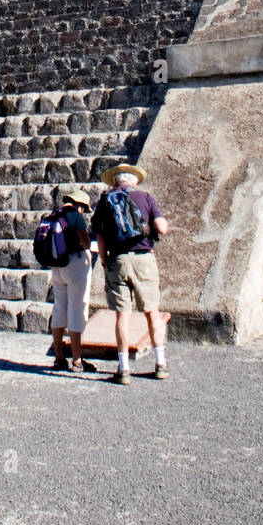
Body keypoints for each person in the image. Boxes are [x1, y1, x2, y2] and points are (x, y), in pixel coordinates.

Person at [91, 164, 169, 385]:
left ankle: (123, 368)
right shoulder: (145, 197)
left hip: (117, 260)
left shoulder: (106, 201)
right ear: (134, 181)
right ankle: (160, 364)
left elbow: (101, 235)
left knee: (122, 316)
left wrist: (105, 261)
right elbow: (161, 228)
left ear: (115, 181)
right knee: (152, 312)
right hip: (144, 258)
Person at [49, 189, 97, 373]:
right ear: (80, 205)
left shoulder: (53, 215)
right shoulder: (75, 217)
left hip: (57, 265)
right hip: (75, 265)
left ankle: (59, 357)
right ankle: (77, 359)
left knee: (59, 308)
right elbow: (85, 242)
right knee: (77, 310)